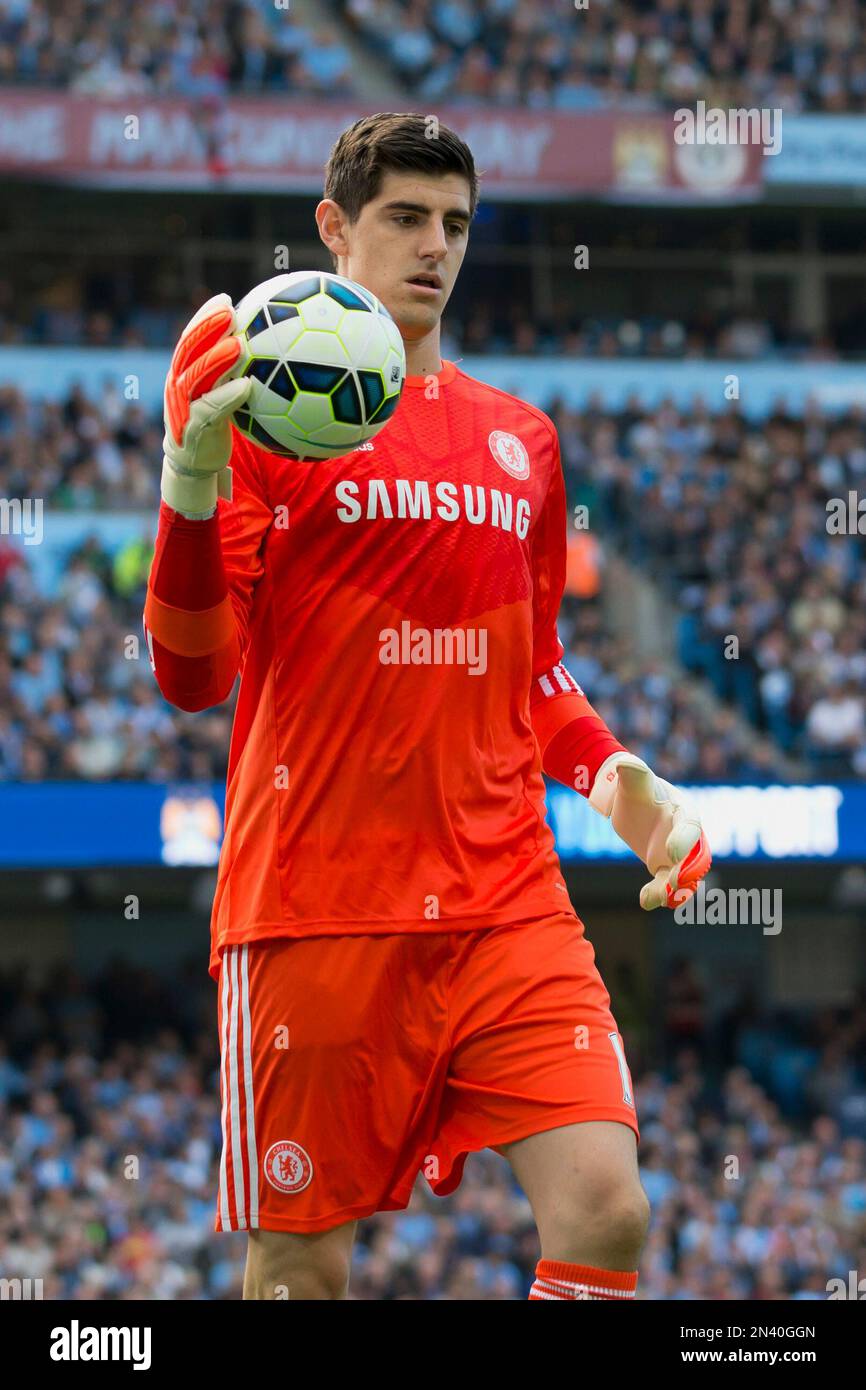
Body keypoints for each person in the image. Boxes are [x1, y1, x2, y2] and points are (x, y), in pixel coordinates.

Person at [143, 113, 711, 1301]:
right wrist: (189, 485)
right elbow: (195, 676)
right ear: (332, 229)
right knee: (300, 1268)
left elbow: (534, 674)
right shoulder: (256, 424)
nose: (433, 247)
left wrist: (619, 782)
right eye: (404, 218)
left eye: (454, 224)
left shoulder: (522, 441)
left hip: (505, 900)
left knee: (607, 1210)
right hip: (316, 907)